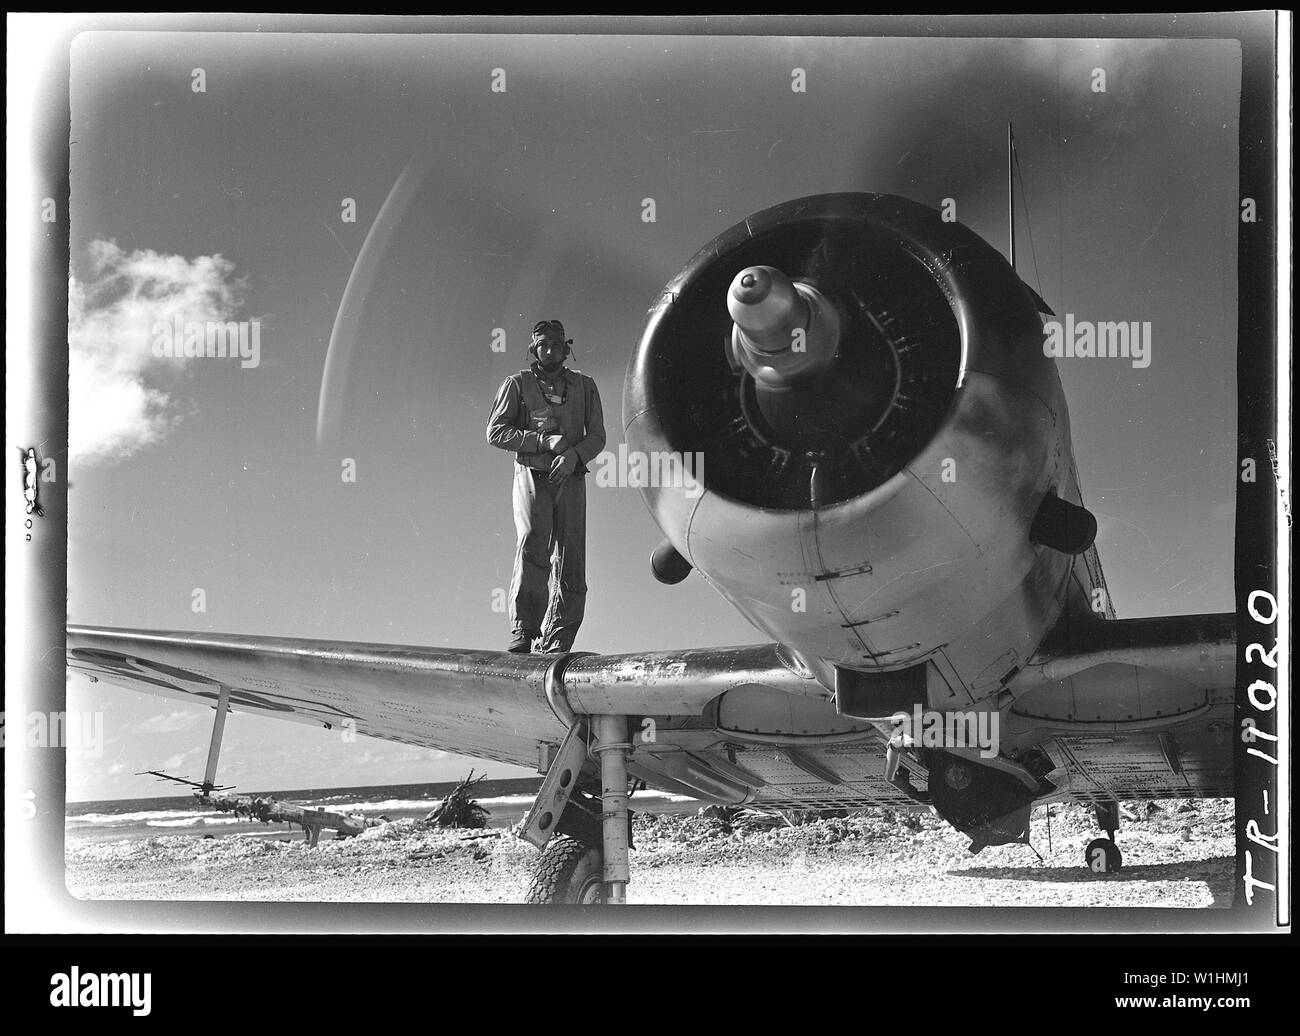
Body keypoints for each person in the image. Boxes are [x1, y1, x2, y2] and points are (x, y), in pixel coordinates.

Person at [486, 319, 606, 653]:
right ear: (534, 350)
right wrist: (542, 441)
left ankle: (559, 641)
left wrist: (574, 457)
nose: (551, 351)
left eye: (557, 345)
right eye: (544, 346)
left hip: (571, 478)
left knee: (571, 558)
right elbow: (496, 432)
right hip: (532, 476)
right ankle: (524, 629)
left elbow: (597, 435)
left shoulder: (585, 386)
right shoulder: (517, 384)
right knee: (533, 544)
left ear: (566, 349)